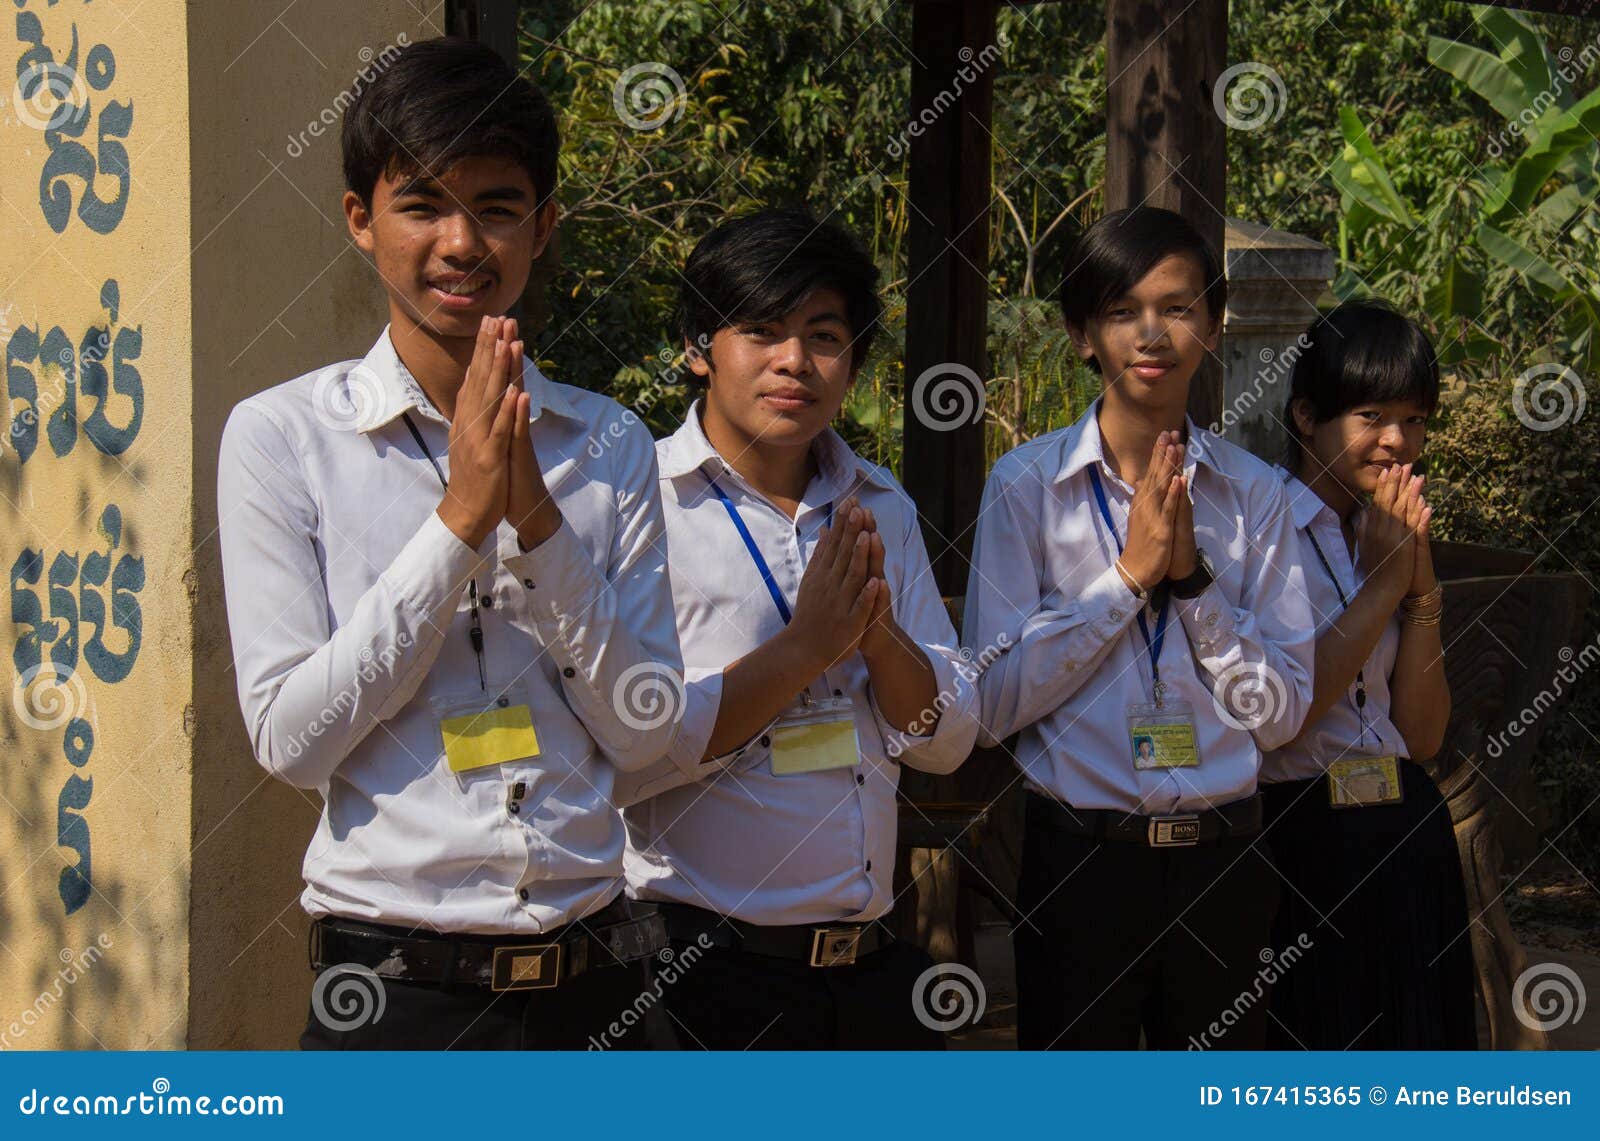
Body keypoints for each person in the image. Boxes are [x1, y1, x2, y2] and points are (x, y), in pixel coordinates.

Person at [216, 37, 682, 1050]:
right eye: (422, 204)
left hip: (595, 979)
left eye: (498, 206)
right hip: (396, 991)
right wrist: (460, 521)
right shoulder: (283, 437)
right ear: (361, 220)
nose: (462, 242)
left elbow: (646, 732)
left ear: (542, 225)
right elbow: (291, 741)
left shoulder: (609, 443)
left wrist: (539, 525)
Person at [617, 208, 979, 1049]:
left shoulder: (881, 504)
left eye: (823, 335)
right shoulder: (642, 506)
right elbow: (628, 751)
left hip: (869, 968)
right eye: (761, 330)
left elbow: (945, 740)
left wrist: (877, 635)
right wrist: (805, 648)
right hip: (699, 970)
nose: (794, 360)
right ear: (697, 347)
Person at [963, 206, 1315, 1049]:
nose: (1152, 333)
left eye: (1178, 307)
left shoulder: (1255, 494)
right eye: (1123, 310)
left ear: (1214, 326)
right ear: (1083, 334)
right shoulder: (1026, 486)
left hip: (1225, 861)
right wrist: (1125, 580)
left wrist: (1191, 584)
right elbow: (989, 704)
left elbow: (1281, 715)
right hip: (1082, 864)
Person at [1261, 299, 1474, 1049]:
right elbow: (1282, 716)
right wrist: (1383, 585)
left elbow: (1421, 735)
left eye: (1415, 419)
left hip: (1404, 827)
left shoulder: (1384, 527)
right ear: (1306, 415)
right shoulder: (1261, 529)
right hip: (1298, 835)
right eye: (1372, 415)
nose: (1397, 441)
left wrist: (1421, 590)